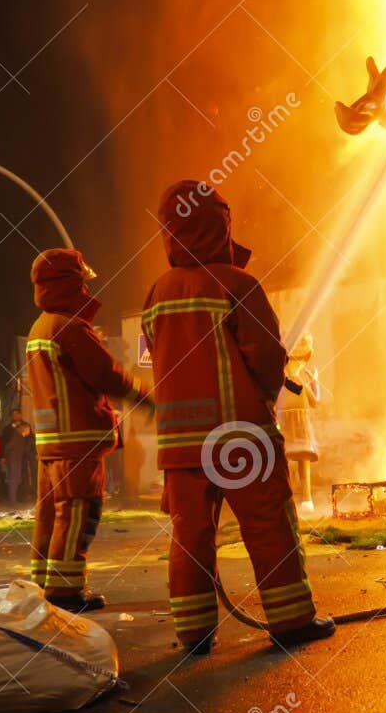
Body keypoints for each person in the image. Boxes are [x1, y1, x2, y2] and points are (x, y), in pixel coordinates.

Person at [143, 181, 334, 654]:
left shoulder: (156, 293)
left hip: (179, 442)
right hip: (240, 436)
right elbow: (268, 359)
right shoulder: (238, 285)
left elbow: (157, 360)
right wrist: (263, 403)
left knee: (190, 536)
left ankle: (193, 633)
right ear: (218, 225)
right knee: (268, 524)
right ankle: (290, 621)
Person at [26, 248, 150, 612]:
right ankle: (65, 591)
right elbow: (105, 374)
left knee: (51, 511)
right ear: (70, 282)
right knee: (78, 510)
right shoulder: (69, 327)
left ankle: (46, 580)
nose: (86, 288)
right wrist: (143, 396)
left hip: (51, 442)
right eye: (81, 281)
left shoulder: (40, 327)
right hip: (77, 440)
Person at [278, 333, 320, 514]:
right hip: (296, 429)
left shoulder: (281, 385)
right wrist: (315, 383)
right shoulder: (298, 384)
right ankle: (304, 499)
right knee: (300, 461)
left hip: (290, 428)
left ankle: (302, 499)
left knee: (288, 462)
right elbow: (316, 401)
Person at [0, 409, 33, 504]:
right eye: (28, 430)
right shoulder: (16, 436)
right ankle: (13, 500)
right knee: (14, 479)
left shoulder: (21, 436)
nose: (29, 431)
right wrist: (6, 456)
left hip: (20, 458)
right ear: (24, 429)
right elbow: (7, 446)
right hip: (14, 459)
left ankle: (16, 498)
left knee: (18, 479)